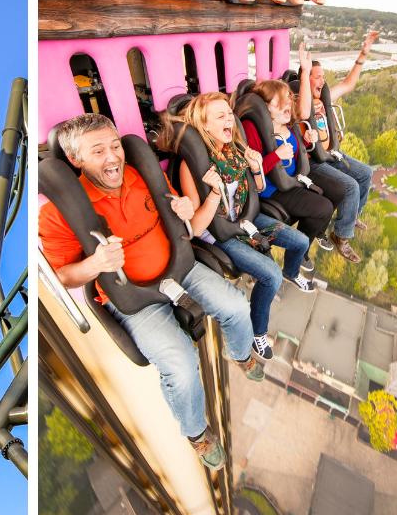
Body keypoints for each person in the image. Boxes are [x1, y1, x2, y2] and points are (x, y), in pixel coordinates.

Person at [40, 113, 259, 470]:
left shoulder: (139, 173)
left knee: (235, 304)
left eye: (115, 146)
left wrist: (184, 208)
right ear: (76, 160)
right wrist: (95, 264)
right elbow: (60, 277)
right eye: (98, 151)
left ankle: (240, 353)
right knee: (182, 366)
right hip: (133, 299)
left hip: (179, 269)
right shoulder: (58, 213)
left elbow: (177, 211)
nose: (113, 157)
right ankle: (197, 435)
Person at [158, 93, 314, 362]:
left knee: (300, 241)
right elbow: (193, 228)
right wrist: (214, 194)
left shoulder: (236, 150)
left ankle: (292, 271)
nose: (230, 119)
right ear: (205, 126)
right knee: (270, 275)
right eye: (221, 116)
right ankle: (258, 332)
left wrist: (256, 169)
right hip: (220, 233)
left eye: (229, 114)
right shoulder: (192, 167)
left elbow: (259, 189)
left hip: (245, 218)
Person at [238, 78, 344, 264]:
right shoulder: (252, 128)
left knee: (339, 191)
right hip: (272, 187)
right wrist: (275, 155)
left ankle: (317, 231)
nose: (288, 105)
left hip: (294, 177)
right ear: (265, 108)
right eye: (280, 102)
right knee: (323, 208)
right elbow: (252, 170)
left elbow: (292, 152)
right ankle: (299, 253)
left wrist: (306, 140)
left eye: (288, 100)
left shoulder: (285, 121)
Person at [297, 36, 375, 259]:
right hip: (314, 161)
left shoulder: (324, 100)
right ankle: (341, 235)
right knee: (350, 186)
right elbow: (302, 113)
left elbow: (349, 84)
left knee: (366, 173)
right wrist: (303, 72)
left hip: (331, 155)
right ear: (307, 79)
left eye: (323, 77)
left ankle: (352, 215)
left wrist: (363, 55)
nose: (322, 81)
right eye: (317, 77)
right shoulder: (301, 102)